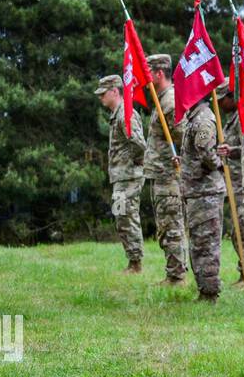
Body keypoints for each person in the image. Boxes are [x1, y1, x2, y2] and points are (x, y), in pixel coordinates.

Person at [180, 81, 227, 302]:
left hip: (206, 192)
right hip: (196, 191)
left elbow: (207, 154)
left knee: (206, 244)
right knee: (198, 243)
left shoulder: (203, 118)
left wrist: (219, 165)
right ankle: (204, 290)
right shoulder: (195, 117)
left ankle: (210, 293)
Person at [145, 54, 187, 285]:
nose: (145, 77)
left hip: (169, 175)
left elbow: (183, 137)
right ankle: (173, 272)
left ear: (159, 73)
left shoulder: (170, 101)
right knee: (165, 224)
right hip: (160, 174)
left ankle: (177, 275)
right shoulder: (161, 99)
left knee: (171, 225)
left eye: (149, 72)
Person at [96, 75, 145, 273]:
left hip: (129, 177)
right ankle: (132, 260)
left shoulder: (125, 113)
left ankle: (136, 263)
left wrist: (135, 163)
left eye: (103, 93)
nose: (101, 98)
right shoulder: (118, 113)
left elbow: (139, 143)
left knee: (126, 216)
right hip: (121, 177)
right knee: (121, 215)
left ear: (115, 91)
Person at [216, 87, 244, 286]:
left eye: (223, 99)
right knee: (236, 229)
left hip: (242, 182)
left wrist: (231, 151)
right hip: (231, 181)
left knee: (242, 229)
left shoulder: (241, 118)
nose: (220, 104)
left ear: (233, 97)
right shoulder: (230, 119)